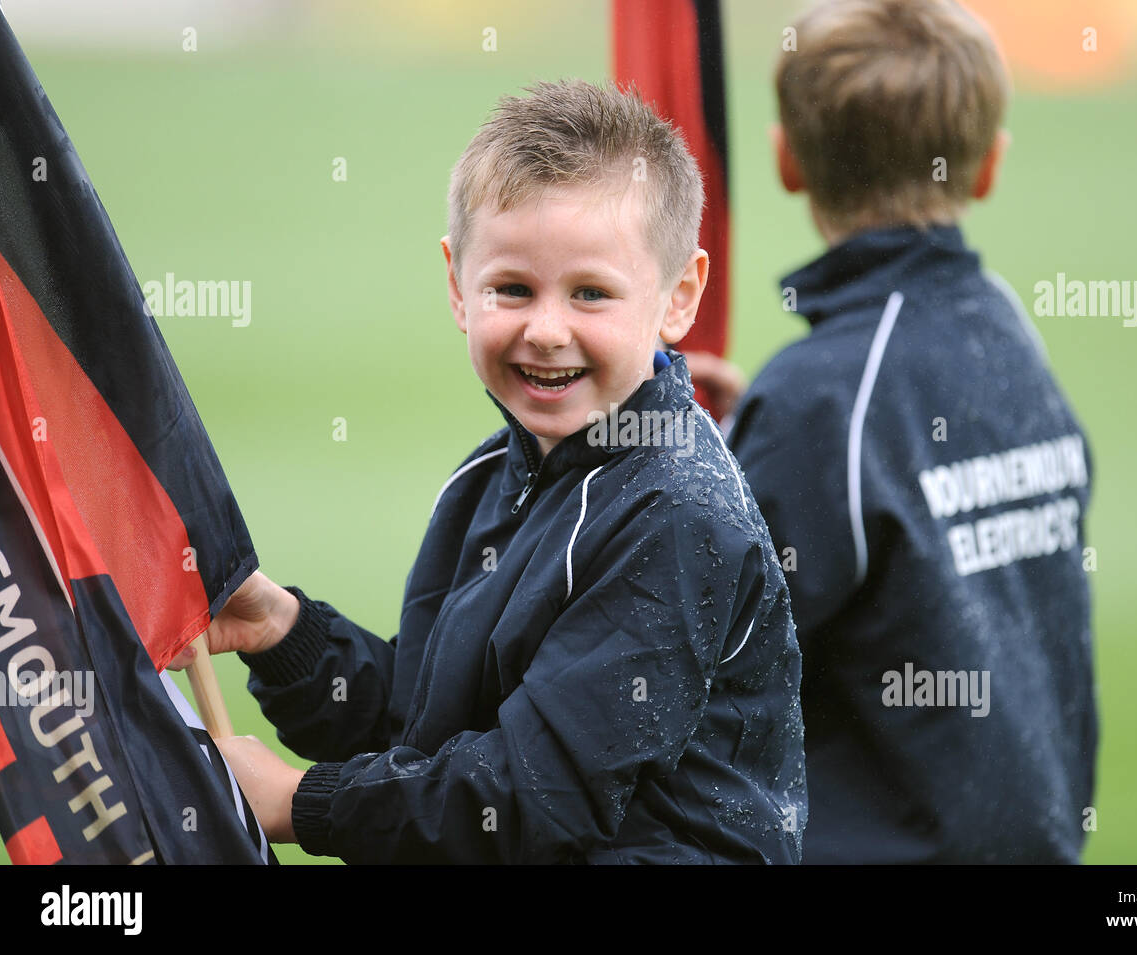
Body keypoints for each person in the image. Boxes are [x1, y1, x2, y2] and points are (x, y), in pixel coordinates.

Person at [178, 79, 806, 864]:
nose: (546, 329)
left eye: (591, 293)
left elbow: (532, 798)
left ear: (678, 297)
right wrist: (285, 632)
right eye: (513, 288)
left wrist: (298, 802)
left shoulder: (676, 514)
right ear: (457, 286)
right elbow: (424, 727)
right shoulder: (495, 473)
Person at [690, 0, 1097, 862]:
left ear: (787, 160)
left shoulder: (823, 399)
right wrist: (748, 446)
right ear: (988, 166)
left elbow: (694, 652)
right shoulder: (1007, 330)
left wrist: (669, 459)